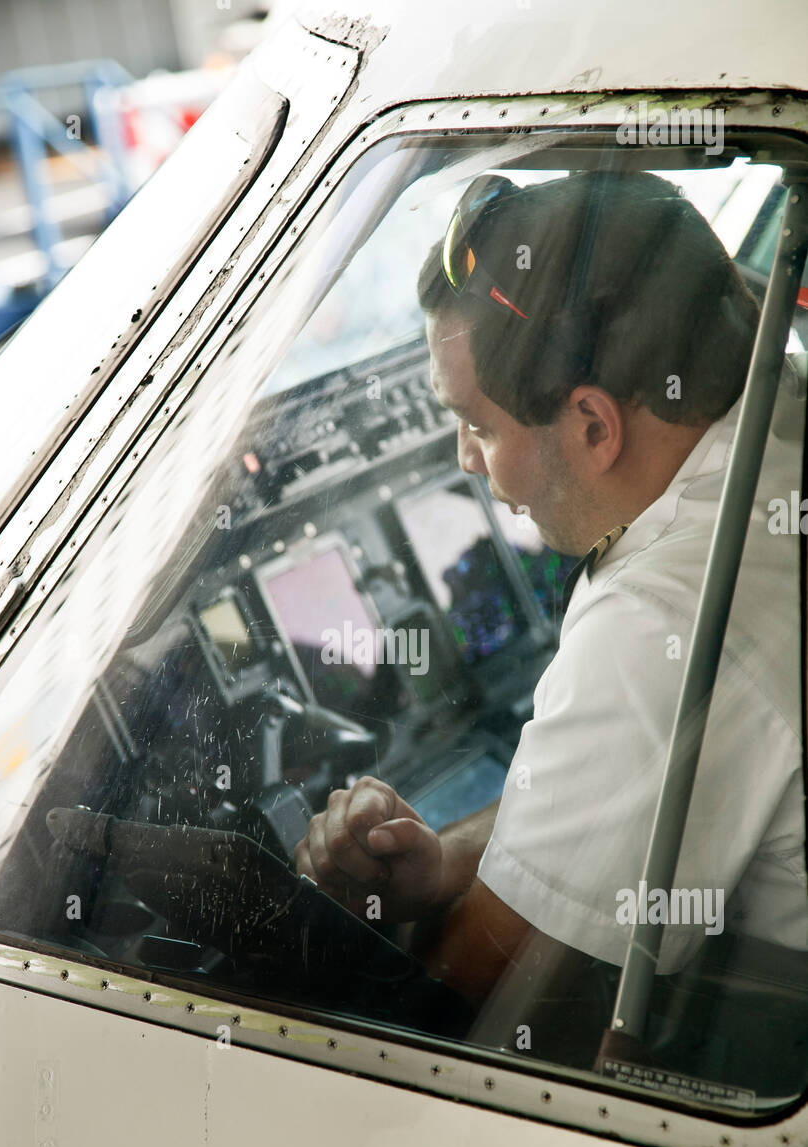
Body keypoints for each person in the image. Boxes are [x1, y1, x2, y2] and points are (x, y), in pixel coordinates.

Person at [294, 170, 806, 1027]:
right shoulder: (780, 406)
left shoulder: (664, 620)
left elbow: (457, 1016)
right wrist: (445, 864)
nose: (466, 459)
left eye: (481, 427)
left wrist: (350, 928)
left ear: (595, 427)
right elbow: (608, 793)